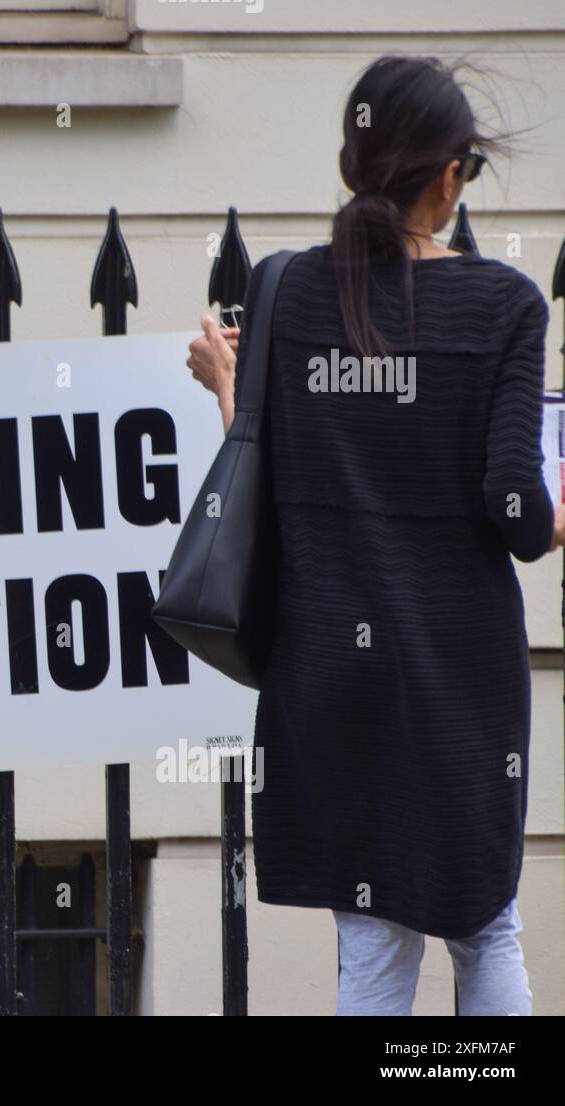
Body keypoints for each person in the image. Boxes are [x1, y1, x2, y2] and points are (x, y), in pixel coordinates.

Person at [184, 55, 565, 1016]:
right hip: (457, 681)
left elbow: (274, 467)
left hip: (328, 672)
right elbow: (518, 514)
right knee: (484, 927)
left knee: (372, 947)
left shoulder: (284, 293)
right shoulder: (505, 305)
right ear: (448, 177)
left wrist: (227, 387)